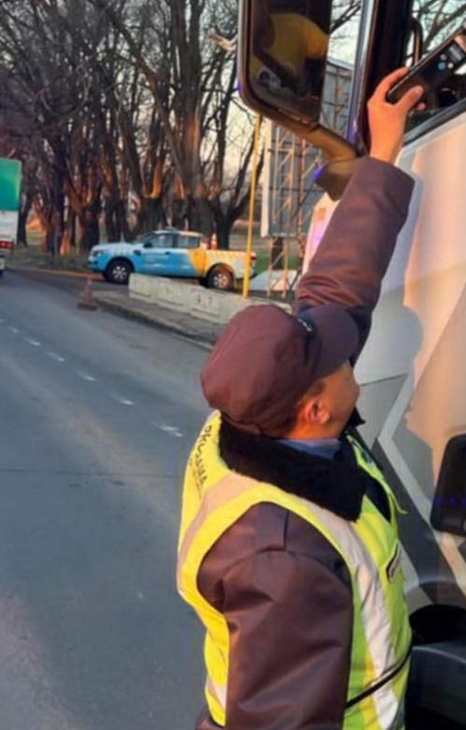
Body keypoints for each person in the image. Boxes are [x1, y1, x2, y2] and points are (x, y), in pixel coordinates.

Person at [177, 69, 424, 730]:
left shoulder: (256, 415)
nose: (350, 349)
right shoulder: (281, 556)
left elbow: (337, 290)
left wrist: (381, 156)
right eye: (338, 358)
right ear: (315, 411)